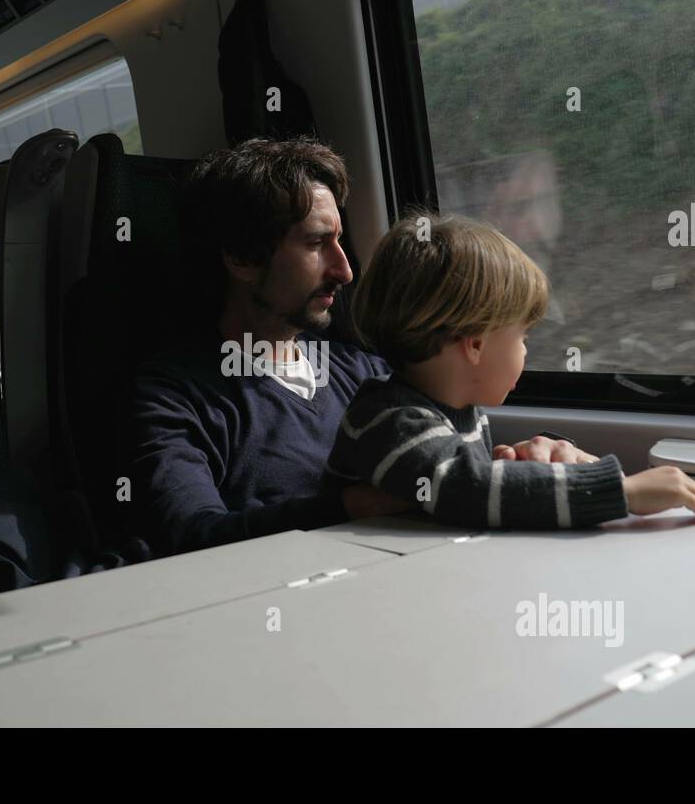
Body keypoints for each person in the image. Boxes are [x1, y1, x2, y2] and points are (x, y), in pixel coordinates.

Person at [123, 139, 628, 557]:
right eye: (317, 243)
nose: (345, 270)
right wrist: (354, 505)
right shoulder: (172, 396)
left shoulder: (366, 371)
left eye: (341, 242)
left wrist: (533, 451)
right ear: (240, 257)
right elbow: (189, 538)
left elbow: (450, 453)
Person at [325, 212, 695, 528]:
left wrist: (518, 464)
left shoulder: (455, 411)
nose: (526, 349)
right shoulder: (393, 421)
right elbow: (467, 491)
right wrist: (619, 490)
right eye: (522, 336)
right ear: (476, 343)